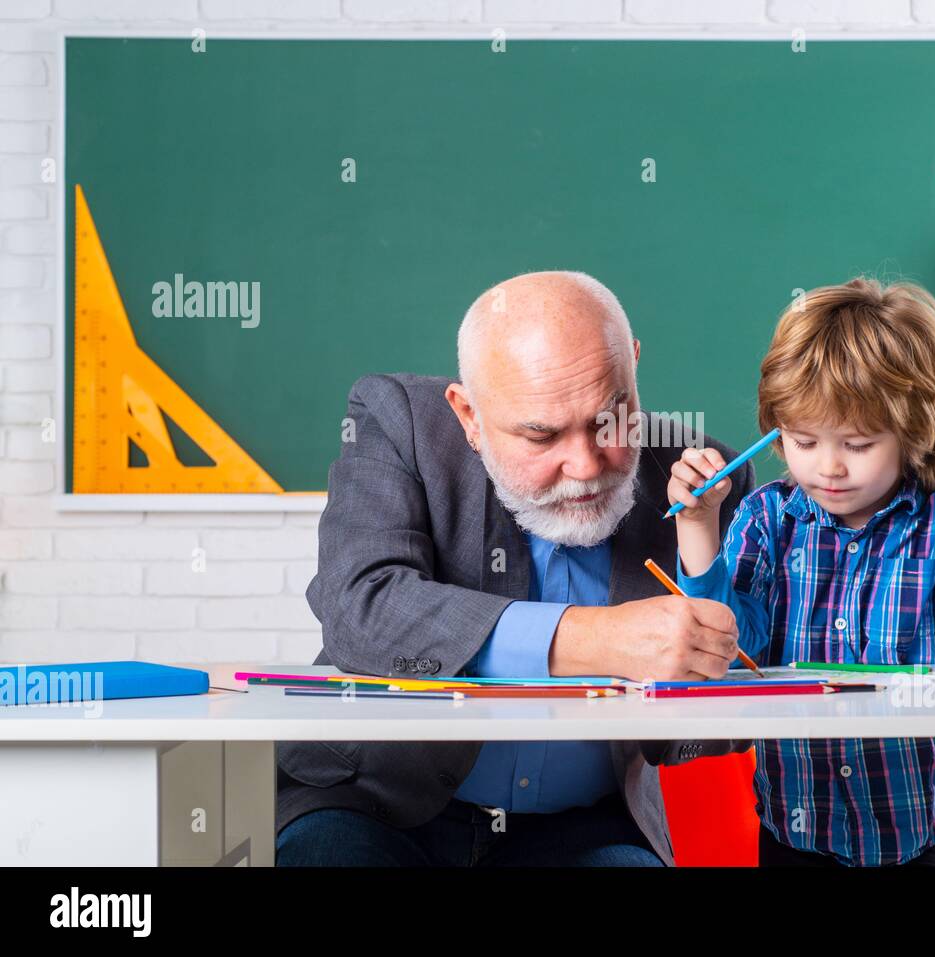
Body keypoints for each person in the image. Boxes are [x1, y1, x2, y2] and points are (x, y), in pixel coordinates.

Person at [276, 271, 750, 866]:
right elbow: (361, 607)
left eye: (610, 418)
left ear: (632, 365)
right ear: (469, 415)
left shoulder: (708, 480)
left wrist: (704, 675)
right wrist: (591, 638)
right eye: (540, 434)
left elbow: (708, 731)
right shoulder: (401, 422)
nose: (583, 465)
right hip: (374, 802)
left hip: (585, 828)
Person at [668, 277, 935, 867]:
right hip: (796, 834)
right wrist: (698, 526)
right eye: (803, 440)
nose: (828, 467)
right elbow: (728, 645)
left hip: (920, 837)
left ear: (914, 432)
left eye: (858, 443)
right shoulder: (766, 516)